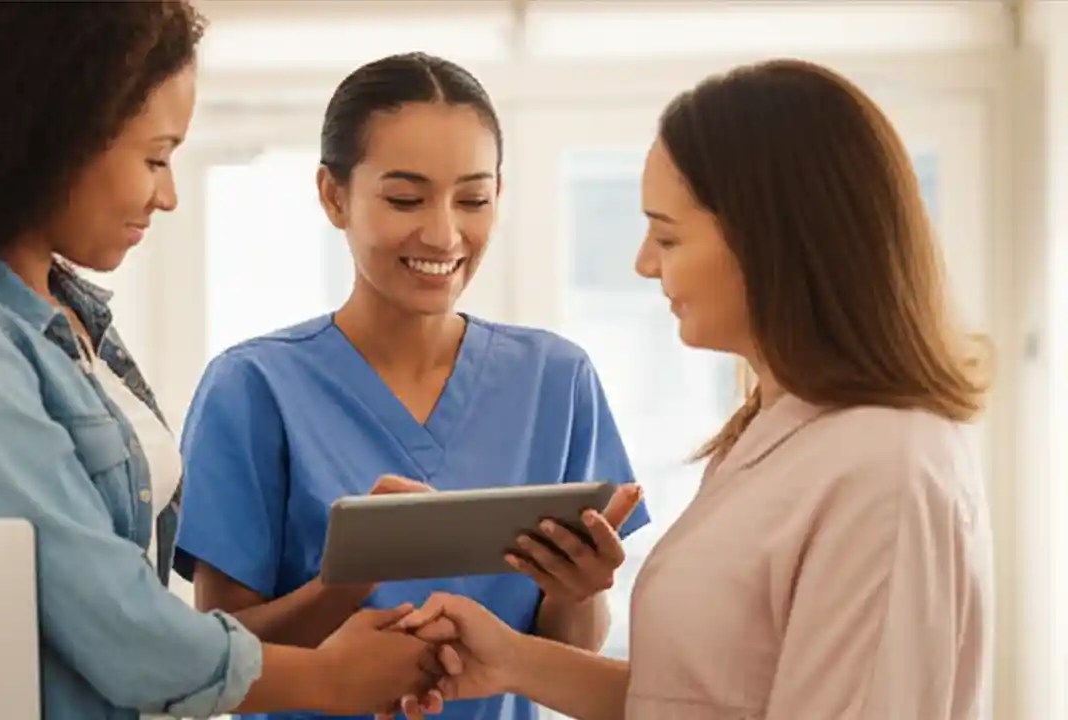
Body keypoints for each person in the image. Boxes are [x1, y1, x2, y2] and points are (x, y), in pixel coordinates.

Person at [0, 3, 445, 719]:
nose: (170, 194)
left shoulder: (70, 319)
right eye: (156, 156)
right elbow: (114, 625)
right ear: (48, 137)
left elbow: (140, 623)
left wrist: (344, 593)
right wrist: (329, 681)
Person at [394, 59, 994, 719]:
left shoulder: (886, 467)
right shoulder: (778, 433)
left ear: (771, 241)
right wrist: (513, 660)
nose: (644, 262)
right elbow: (702, 701)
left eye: (668, 235)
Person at [174, 52, 649, 720]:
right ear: (333, 195)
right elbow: (214, 659)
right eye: (405, 198)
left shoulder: (556, 381)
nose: (444, 232)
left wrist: (578, 589)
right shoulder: (253, 387)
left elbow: (564, 652)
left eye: (473, 199)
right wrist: (348, 579)